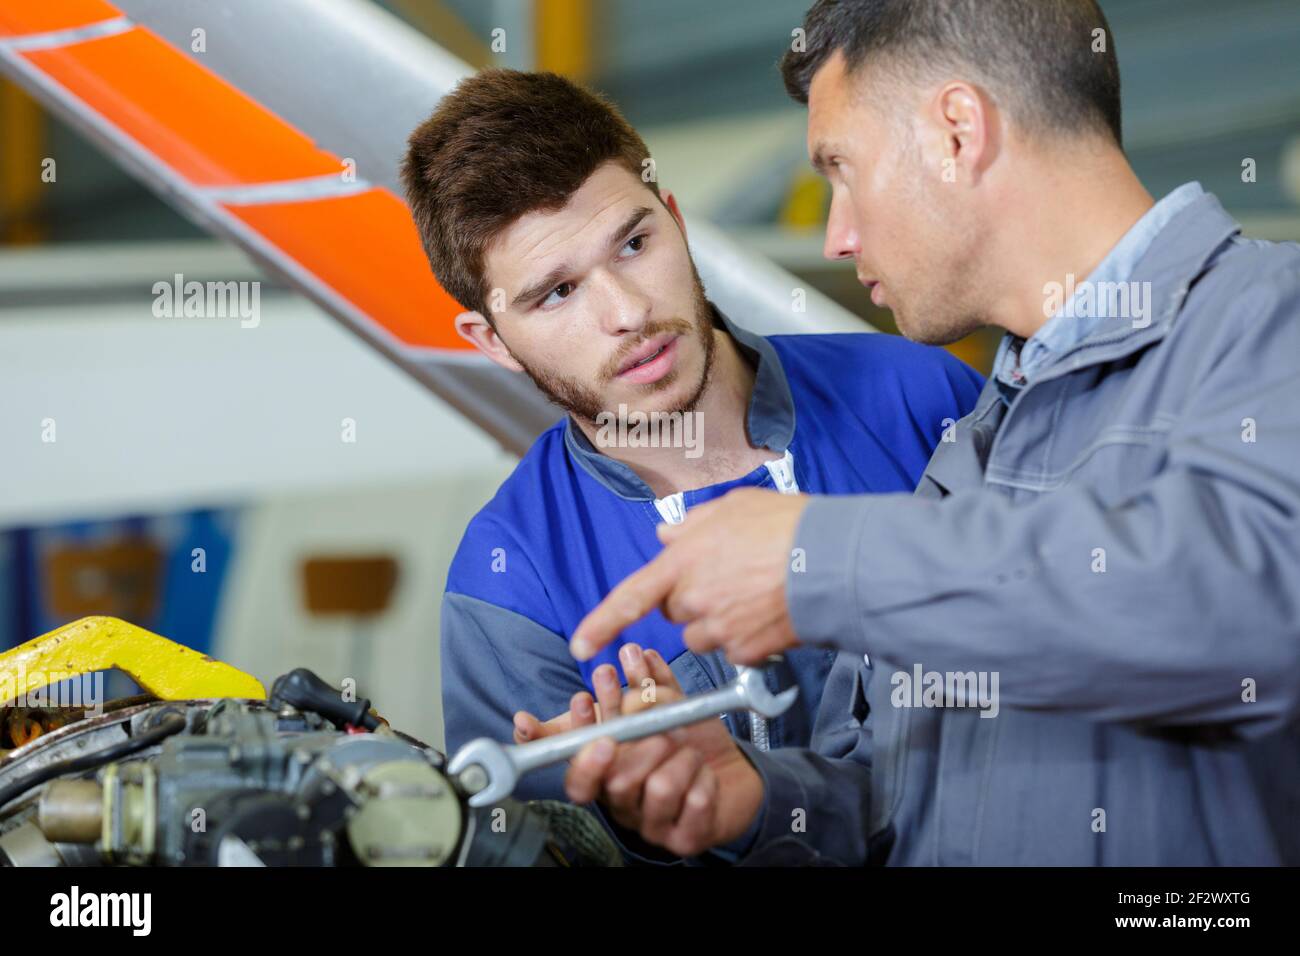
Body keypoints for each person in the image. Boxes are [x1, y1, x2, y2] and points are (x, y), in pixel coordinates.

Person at [565, 0, 1300, 865]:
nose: (836, 236)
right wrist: (761, 796)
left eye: (841, 168)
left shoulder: (1266, 320)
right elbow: (905, 797)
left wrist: (825, 559)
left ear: (957, 132)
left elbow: (1253, 605)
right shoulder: (979, 441)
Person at [399, 69, 983, 816]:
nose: (629, 311)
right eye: (558, 293)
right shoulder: (508, 582)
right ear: (493, 341)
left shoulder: (922, 400)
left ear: (674, 219)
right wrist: (651, 816)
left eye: (635, 243)